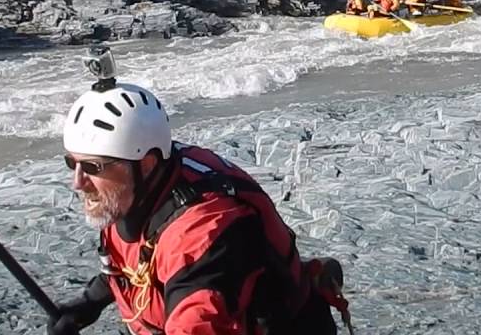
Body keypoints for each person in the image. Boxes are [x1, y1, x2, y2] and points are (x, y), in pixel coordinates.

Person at [48, 75, 351, 335]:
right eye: (72, 163)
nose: (78, 182)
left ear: (146, 164)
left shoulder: (202, 238)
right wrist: (89, 303)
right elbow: (128, 258)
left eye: (93, 167)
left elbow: (196, 319)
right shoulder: (136, 189)